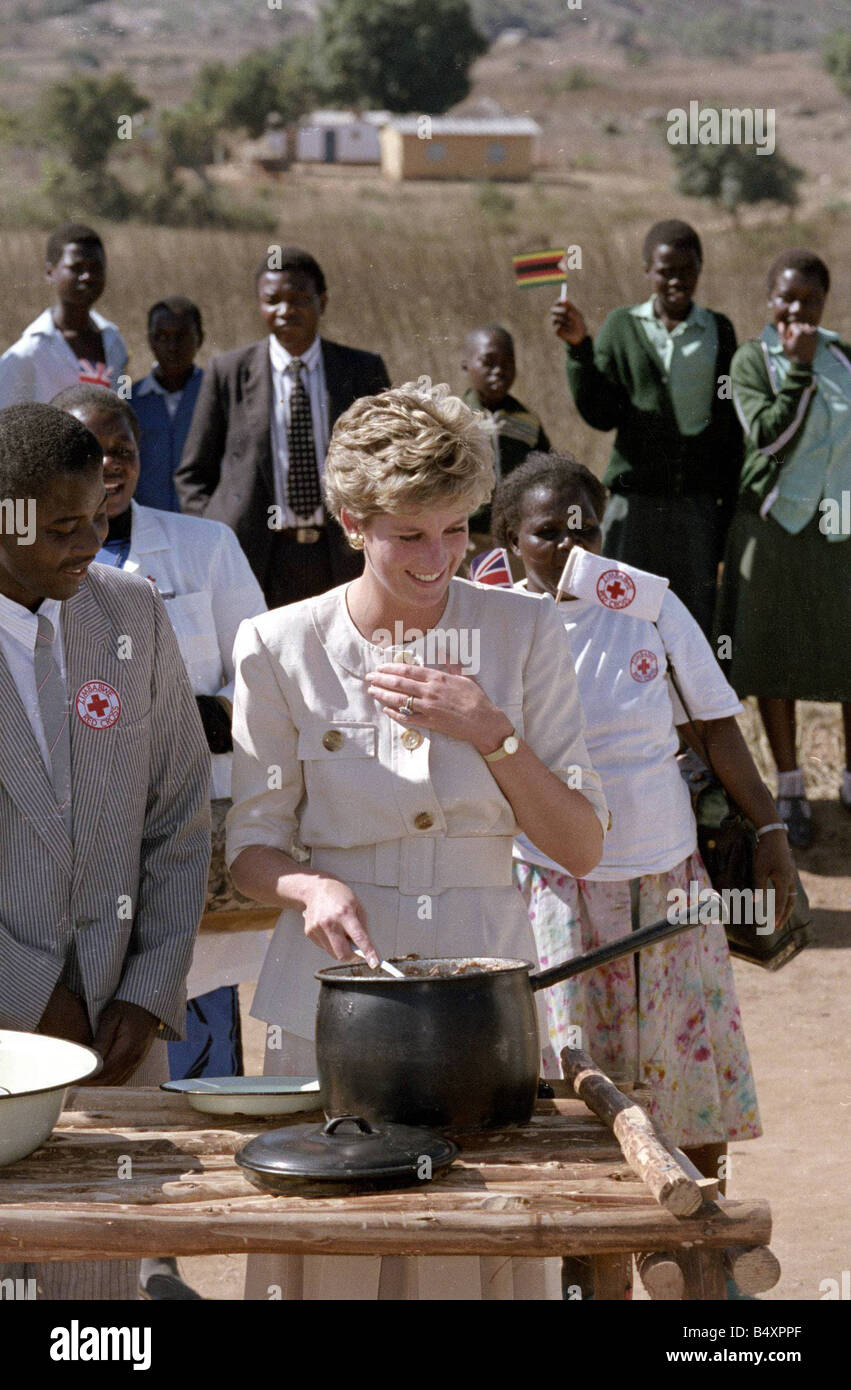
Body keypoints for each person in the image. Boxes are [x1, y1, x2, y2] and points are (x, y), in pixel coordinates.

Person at [226, 382, 609, 1301]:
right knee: (330, 1256)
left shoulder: (524, 633)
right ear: (353, 522)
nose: (438, 559)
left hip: (478, 1003)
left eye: (456, 530)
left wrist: (490, 732)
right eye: (409, 534)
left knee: (472, 1251)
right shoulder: (278, 645)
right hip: (332, 1004)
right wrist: (309, 889)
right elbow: (249, 851)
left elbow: (581, 846)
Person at [493, 451, 796, 1230]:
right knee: (571, 1092)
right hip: (551, 887)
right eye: (547, 532)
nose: (571, 545)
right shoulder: (485, 622)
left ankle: (703, 1249)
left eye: (585, 529)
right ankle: (584, 1266)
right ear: (506, 539)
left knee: (690, 1088)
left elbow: (714, 729)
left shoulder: (648, 608)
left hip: (666, 886)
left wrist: (768, 828)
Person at [51, 384, 269, 1293]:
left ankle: (172, 1246)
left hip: (188, 833)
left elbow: (257, 674)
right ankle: (118, 1256)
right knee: (91, 1044)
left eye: (124, 448)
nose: (111, 466)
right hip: (75, 848)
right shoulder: (30, 561)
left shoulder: (206, 547)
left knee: (196, 1016)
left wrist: (201, 717)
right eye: (90, 452)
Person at [0, 402, 210, 1300]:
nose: (91, 544)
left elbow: (181, 817)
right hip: (10, 1035)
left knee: (98, 1292)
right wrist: (32, 1001)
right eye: (63, 527)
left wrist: (145, 989)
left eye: (101, 519)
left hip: (121, 1038)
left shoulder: (130, 613)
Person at [716, 248, 851, 847]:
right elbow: (769, 441)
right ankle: (791, 787)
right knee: (776, 659)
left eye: (810, 300)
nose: (797, 310)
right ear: (769, 300)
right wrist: (796, 370)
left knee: (846, 659)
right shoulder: (753, 359)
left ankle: (850, 780)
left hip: (838, 527)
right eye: (786, 298)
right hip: (775, 528)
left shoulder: (843, 355)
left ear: (825, 303)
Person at [550, 219, 742, 634]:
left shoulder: (718, 330)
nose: (676, 280)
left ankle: (687, 701)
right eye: (665, 271)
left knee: (691, 621)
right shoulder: (623, 327)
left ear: (700, 269)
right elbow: (601, 413)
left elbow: (729, 429)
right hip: (635, 503)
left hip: (695, 504)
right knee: (624, 614)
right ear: (647, 272)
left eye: (686, 270)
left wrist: (724, 509)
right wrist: (579, 347)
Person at [175, 246, 391, 608]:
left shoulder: (361, 369)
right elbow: (193, 474)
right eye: (272, 300)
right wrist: (214, 537)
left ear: (322, 301)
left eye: (299, 299)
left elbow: (387, 460)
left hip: (342, 553)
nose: (285, 311)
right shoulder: (228, 372)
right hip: (255, 558)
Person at [0, 224, 128, 409]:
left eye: (95, 267)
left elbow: (124, 400)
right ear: (50, 272)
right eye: (76, 267)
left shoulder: (114, 341)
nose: (87, 276)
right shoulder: (28, 353)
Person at [461, 323, 550, 542]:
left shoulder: (527, 421)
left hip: (514, 537)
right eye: (488, 362)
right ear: (466, 364)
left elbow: (545, 472)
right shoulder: (454, 418)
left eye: (507, 363)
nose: (499, 370)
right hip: (468, 537)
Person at [130, 296, 205, 512]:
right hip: (147, 520)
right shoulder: (130, 401)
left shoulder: (217, 396)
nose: (172, 346)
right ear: (150, 341)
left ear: (199, 338)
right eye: (162, 337)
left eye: (182, 336)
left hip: (202, 523)